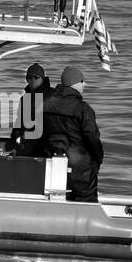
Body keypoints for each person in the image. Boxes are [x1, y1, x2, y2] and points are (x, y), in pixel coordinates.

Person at [43, 65, 103, 201]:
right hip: (81, 170)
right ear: (74, 84)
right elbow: (92, 139)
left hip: (52, 166)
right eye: (82, 81)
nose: (85, 84)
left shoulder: (45, 104)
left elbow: (41, 135)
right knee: (87, 203)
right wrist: (98, 160)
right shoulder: (83, 109)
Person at [12, 63, 53, 157]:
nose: (33, 80)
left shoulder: (51, 95)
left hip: (45, 146)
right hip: (27, 145)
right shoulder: (24, 98)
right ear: (26, 79)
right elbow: (19, 122)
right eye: (30, 78)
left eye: (36, 77)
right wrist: (16, 136)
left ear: (43, 78)